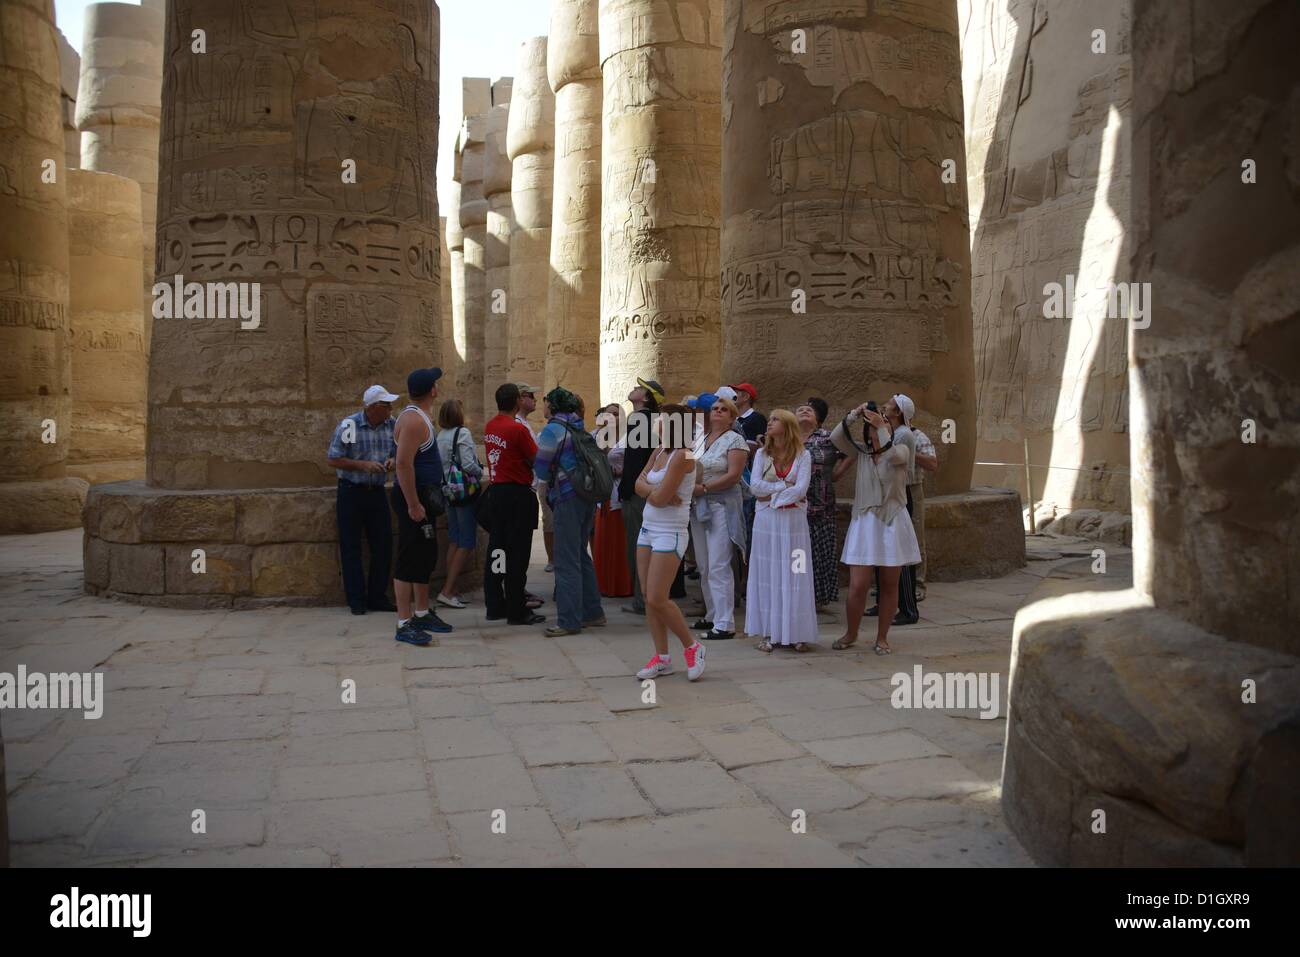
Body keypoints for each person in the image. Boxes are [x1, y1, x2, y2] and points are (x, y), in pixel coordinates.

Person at [830, 395, 920, 654]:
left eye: (880, 427)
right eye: (871, 429)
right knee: (858, 585)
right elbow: (837, 437)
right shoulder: (861, 454)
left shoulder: (900, 449)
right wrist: (855, 413)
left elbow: (893, 455)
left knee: (889, 583)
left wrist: (882, 427)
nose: (875, 431)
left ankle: (882, 638)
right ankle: (851, 632)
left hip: (891, 519)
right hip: (865, 522)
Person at [634, 404, 706, 682]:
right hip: (648, 527)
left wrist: (652, 491)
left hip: (670, 530)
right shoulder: (660, 450)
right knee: (647, 595)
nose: (656, 423)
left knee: (657, 596)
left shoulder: (683, 455)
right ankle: (662, 657)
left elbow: (659, 497)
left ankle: (692, 646)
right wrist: (654, 491)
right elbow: (636, 484)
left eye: (661, 419)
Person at [535, 387, 606, 636]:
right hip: (586, 496)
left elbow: (541, 469)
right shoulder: (578, 426)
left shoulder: (553, 430)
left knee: (565, 561)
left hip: (566, 497)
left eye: (545, 403)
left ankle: (568, 621)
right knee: (580, 555)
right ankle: (593, 612)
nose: (542, 407)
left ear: (552, 407)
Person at [390, 368, 454, 645]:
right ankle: (404, 622)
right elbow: (404, 463)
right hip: (415, 500)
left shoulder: (417, 418)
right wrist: (413, 504)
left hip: (423, 499)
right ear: (432, 390)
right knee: (409, 558)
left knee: (425, 557)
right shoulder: (414, 420)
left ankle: (421, 611)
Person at [747, 409, 817, 652]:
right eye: (770, 419)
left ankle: (797, 631)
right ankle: (768, 631)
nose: (769, 423)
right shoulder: (761, 455)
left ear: (786, 426)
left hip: (793, 520)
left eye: (775, 419)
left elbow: (801, 489)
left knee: (794, 571)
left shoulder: (803, 455)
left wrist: (773, 495)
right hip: (766, 520)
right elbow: (754, 487)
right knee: (768, 572)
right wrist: (781, 487)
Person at [327, 384, 398, 616]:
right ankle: (356, 599)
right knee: (351, 547)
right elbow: (335, 458)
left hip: (376, 492)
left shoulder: (393, 424)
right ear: (373, 407)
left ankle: (377, 596)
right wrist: (363, 465)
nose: (390, 409)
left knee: (383, 545)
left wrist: (392, 461)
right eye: (386, 405)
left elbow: (400, 451)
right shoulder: (351, 425)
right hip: (351, 491)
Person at [482, 383, 544, 626]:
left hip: (497, 492)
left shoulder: (490, 426)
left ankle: (495, 604)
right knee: (518, 554)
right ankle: (517, 610)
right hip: (517, 494)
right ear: (517, 402)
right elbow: (535, 459)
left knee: (497, 550)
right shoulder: (517, 429)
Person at [688, 396, 748, 641]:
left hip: (721, 505)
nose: (719, 412)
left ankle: (725, 622)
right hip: (698, 505)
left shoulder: (736, 440)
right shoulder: (700, 439)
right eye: (715, 409)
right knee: (703, 564)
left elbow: (734, 475)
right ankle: (712, 613)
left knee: (719, 563)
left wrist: (704, 488)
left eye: (724, 410)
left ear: (732, 417)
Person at [796, 397, 851, 609]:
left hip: (821, 503)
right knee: (798, 553)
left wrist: (837, 474)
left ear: (818, 418)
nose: (804, 412)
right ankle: (800, 594)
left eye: (808, 410)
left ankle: (818, 598)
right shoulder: (789, 438)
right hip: (794, 505)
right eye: (800, 409)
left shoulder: (828, 438)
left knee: (819, 553)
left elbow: (851, 453)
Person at [619, 377, 665, 616]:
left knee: (638, 546)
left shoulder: (639, 420)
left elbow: (634, 461)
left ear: (645, 397)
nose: (634, 388)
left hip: (638, 492)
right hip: (650, 489)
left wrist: (626, 489)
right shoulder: (655, 420)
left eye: (639, 388)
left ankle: (642, 600)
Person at [434, 398, 481, 610]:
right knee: (467, 542)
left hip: (448, 493)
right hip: (464, 494)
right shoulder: (462, 433)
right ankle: (447, 590)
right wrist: (480, 472)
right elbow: (469, 464)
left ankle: (450, 589)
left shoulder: (440, 436)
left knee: (454, 539)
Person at [593, 405, 632, 597]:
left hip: (620, 491)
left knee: (620, 539)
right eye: (609, 413)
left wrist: (617, 472)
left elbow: (636, 465)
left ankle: (621, 585)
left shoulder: (630, 437)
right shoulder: (598, 437)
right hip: (603, 493)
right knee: (604, 538)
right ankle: (603, 584)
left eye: (616, 414)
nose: (612, 417)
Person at [517, 383, 554, 572]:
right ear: (521, 398)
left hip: (529, 486)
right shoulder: (518, 425)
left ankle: (518, 588)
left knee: (522, 542)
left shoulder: (524, 424)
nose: (536, 400)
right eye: (531, 396)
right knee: (518, 542)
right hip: (523, 488)